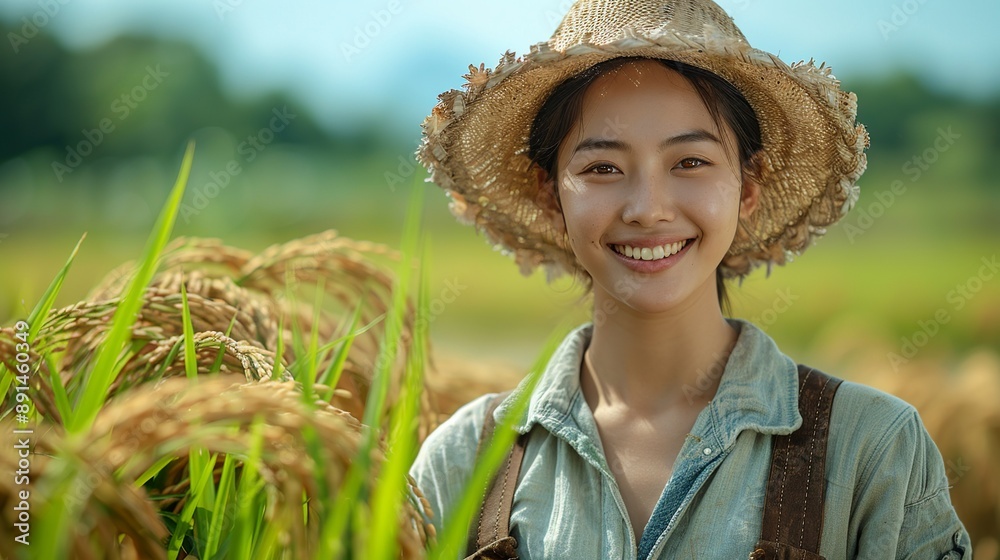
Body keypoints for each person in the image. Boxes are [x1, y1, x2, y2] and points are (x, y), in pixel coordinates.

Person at [410, 0, 972, 558]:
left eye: (690, 163)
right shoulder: (463, 461)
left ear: (748, 187)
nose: (648, 210)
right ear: (549, 194)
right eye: (601, 168)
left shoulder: (871, 447)